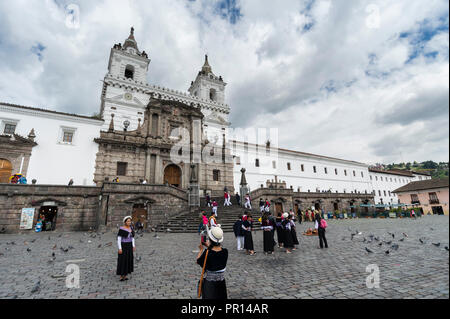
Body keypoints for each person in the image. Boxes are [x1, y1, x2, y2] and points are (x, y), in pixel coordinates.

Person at [196, 226, 228, 299]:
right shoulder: (225, 251)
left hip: (210, 283)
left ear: (210, 239)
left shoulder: (207, 253)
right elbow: (216, 253)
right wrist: (209, 247)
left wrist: (201, 250)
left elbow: (198, 261)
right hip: (221, 282)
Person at [117, 216, 136, 281]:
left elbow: (132, 238)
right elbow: (119, 239)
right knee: (122, 260)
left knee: (128, 259)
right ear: (125, 222)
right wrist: (120, 248)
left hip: (129, 245)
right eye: (128, 221)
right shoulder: (122, 228)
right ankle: (121, 275)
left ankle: (125, 275)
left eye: (130, 221)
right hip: (123, 245)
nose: (129, 222)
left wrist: (133, 246)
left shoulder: (131, 228)